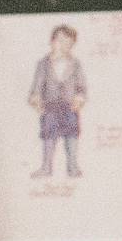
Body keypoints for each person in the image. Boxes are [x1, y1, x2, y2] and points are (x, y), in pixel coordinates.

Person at [29, 24, 88, 180]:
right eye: (60, 41)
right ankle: (46, 167)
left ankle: (72, 167)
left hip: (70, 106)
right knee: (48, 135)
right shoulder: (43, 64)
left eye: (68, 43)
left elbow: (81, 87)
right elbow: (37, 86)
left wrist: (79, 99)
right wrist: (36, 100)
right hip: (49, 106)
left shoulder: (76, 64)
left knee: (72, 135)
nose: (64, 46)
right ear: (52, 41)